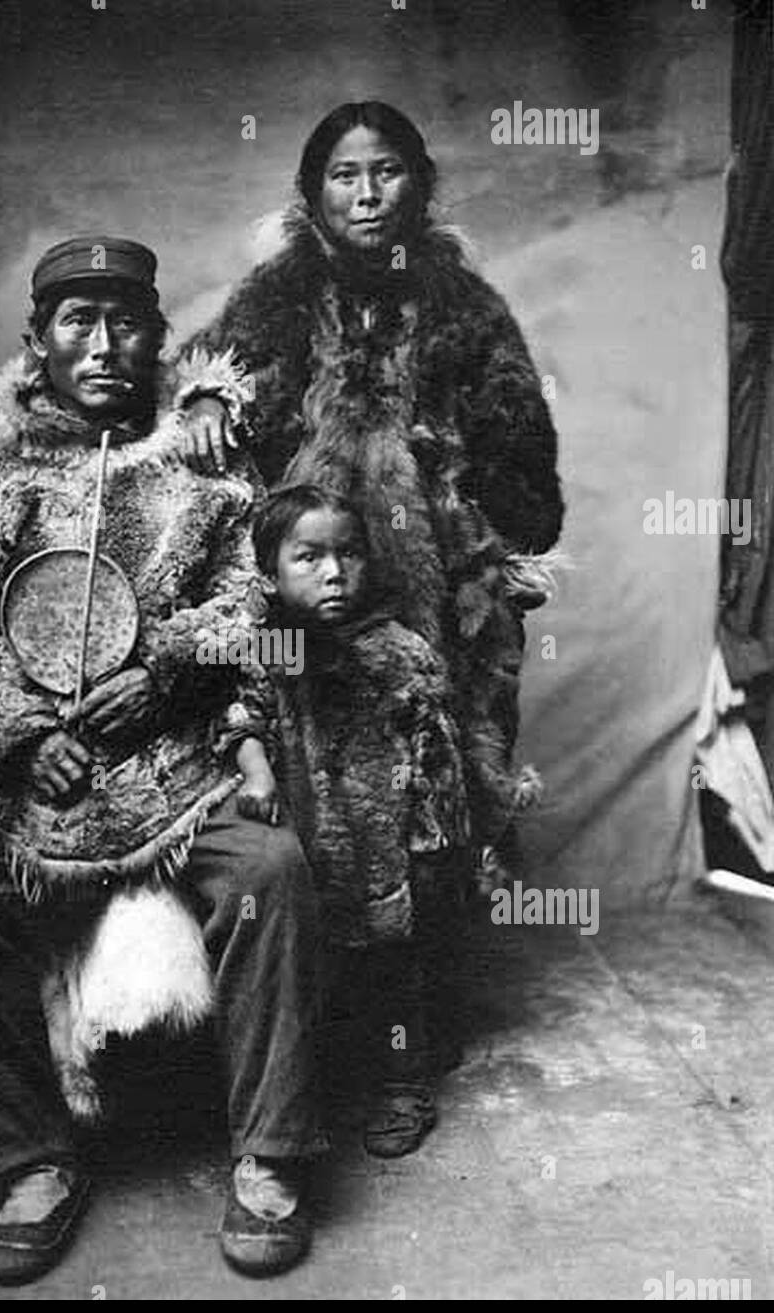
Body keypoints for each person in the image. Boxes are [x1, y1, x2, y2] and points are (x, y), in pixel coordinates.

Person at [0, 236, 327, 1285]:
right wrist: (26, 736)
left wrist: (170, 669)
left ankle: (269, 1152)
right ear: (38, 344)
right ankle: (29, 1159)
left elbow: (252, 605)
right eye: (77, 320)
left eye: (125, 319)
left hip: (175, 761)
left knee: (273, 875)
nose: (104, 342)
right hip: (24, 777)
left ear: (159, 337)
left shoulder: (203, 473)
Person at [180, 100, 565, 887]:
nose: (366, 195)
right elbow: (205, 379)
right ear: (312, 192)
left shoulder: (465, 306)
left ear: (418, 187)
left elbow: (522, 450)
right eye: (344, 175)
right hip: (305, 579)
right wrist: (209, 401)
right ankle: (326, 974)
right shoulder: (276, 297)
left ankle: (428, 975)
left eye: (386, 173)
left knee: (436, 755)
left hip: (438, 582)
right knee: (309, 760)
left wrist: (474, 518)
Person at [223, 484, 472, 1157]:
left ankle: (402, 1085)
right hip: (306, 854)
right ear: (270, 571)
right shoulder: (271, 651)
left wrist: (431, 850)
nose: (334, 573)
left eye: (350, 554)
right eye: (308, 557)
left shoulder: (399, 652)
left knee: (394, 976)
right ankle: (320, 1088)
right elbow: (242, 712)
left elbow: (437, 762)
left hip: (386, 856)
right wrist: (258, 771)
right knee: (314, 978)